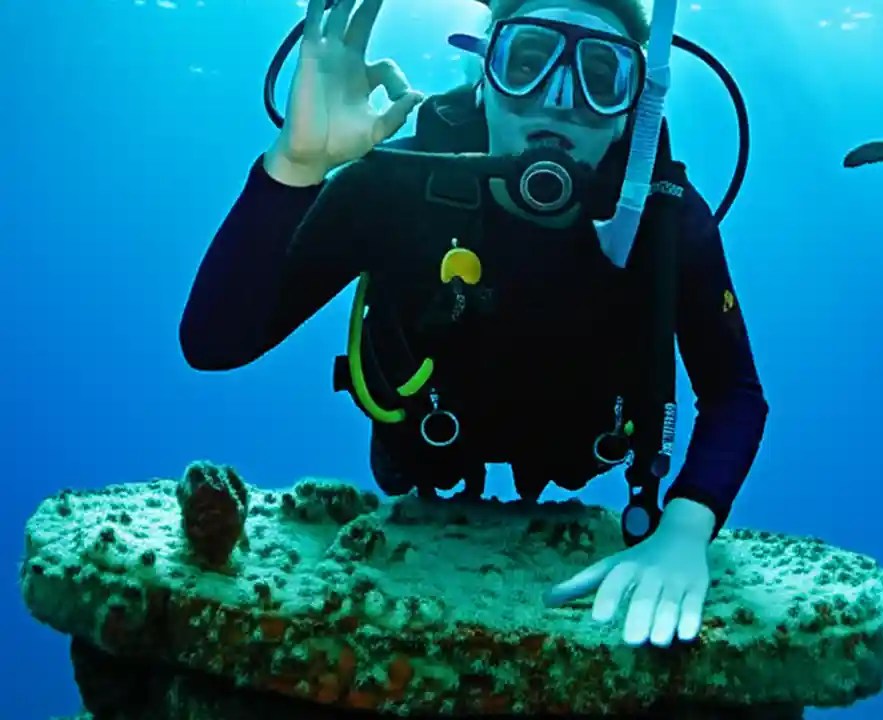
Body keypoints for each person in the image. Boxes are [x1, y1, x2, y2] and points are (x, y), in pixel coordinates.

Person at [179, 0, 767, 648]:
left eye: (602, 76)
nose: (560, 101)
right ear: (486, 73)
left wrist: (685, 530)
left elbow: (734, 393)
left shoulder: (668, 226)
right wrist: (294, 168)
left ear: (637, 103)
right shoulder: (393, 188)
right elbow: (214, 341)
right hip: (424, 445)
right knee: (409, 467)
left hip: (577, 449)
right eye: (529, 60)